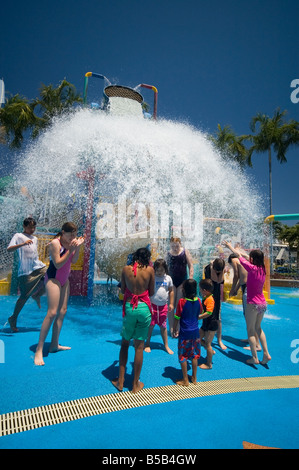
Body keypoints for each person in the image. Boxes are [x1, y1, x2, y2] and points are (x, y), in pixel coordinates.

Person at [34, 222, 84, 366]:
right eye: (70, 235)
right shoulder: (55, 243)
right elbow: (58, 264)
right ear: (63, 232)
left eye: (75, 235)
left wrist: (78, 248)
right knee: (52, 313)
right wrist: (70, 249)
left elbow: (73, 260)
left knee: (62, 312)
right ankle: (39, 349)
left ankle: (54, 345)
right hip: (53, 279)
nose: (72, 237)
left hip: (64, 280)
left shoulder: (72, 243)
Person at [112, 247, 155, 393]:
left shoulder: (125, 269)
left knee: (125, 344)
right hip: (144, 309)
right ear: (147, 258)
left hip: (130, 307)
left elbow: (123, 290)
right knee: (139, 347)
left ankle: (121, 382)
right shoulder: (150, 270)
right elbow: (152, 291)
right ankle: (135, 385)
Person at [223, 240, 271, 365]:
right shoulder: (262, 269)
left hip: (252, 303)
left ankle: (254, 358)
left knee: (250, 330)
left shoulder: (252, 268)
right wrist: (240, 251)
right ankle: (266, 354)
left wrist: (229, 246)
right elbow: (243, 256)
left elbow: (239, 257)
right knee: (258, 328)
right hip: (262, 304)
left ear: (253, 259)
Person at [7, 217, 47, 332]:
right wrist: (22, 244)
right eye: (30, 227)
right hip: (25, 271)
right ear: (24, 226)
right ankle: (13, 318)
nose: (32, 229)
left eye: (34, 227)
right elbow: (9, 249)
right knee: (24, 296)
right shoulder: (18, 236)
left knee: (51, 275)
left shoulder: (35, 238)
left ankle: (38, 295)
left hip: (37, 266)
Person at [228, 253, 261, 351]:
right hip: (247, 287)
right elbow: (242, 278)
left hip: (247, 289)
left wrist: (232, 288)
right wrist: (236, 289)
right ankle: (251, 338)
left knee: (249, 316)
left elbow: (236, 276)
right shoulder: (244, 261)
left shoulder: (235, 260)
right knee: (248, 315)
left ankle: (257, 345)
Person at [173, 279, 203, 386]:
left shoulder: (182, 302)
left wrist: (174, 328)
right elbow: (200, 313)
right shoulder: (198, 301)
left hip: (185, 333)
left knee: (183, 355)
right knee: (194, 354)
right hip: (195, 333)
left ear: (184, 290)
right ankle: (194, 378)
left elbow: (177, 317)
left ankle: (185, 380)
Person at [144, 258, 174, 354]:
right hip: (152, 306)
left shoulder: (168, 278)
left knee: (163, 327)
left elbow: (171, 291)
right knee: (150, 325)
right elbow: (147, 290)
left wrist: (172, 303)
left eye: (162, 270)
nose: (159, 272)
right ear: (154, 269)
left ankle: (166, 345)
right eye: (157, 270)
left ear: (165, 269)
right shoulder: (152, 277)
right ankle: (147, 343)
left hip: (163, 307)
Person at [166, 237, 194, 337]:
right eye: (173, 246)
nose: (175, 248)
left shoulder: (185, 252)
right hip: (172, 281)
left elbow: (191, 266)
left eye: (177, 246)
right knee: (170, 305)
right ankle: (171, 328)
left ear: (180, 244)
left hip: (182, 281)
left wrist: (189, 279)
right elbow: (166, 268)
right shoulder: (168, 254)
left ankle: (177, 328)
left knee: (179, 305)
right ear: (170, 245)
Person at [204, 258, 226, 350]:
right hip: (209, 297)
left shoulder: (220, 269)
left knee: (218, 318)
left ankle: (219, 340)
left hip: (216, 297)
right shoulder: (209, 268)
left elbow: (220, 281)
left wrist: (222, 271)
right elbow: (215, 280)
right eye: (217, 270)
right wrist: (213, 267)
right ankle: (206, 338)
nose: (218, 271)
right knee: (208, 317)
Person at [199, 278, 217, 369]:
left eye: (200, 290)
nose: (200, 291)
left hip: (211, 325)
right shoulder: (206, 297)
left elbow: (209, 312)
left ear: (205, 291)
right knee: (197, 338)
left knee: (208, 343)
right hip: (205, 324)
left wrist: (199, 317)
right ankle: (210, 351)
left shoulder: (210, 299)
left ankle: (209, 364)